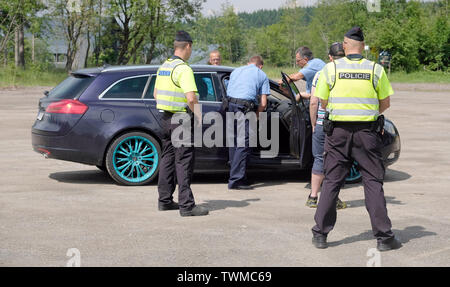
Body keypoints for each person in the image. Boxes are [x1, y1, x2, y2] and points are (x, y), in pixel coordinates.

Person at [311, 27, 401, 251]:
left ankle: (320, 234)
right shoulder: (375, 69)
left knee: (332, 181)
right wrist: (365, 113)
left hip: (338, 134)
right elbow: (385, 103)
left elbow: (322, 101)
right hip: (367, 133)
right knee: (372, 181)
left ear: (344, 46)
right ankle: (384, 238)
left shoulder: (330, 69)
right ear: (363, 46)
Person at [154, 30, 208, 217]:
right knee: (184, 162)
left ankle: (165, 201)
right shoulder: (184, 69)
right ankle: (187, 206)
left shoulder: (164, 66)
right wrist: (199, 116)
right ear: (188, 46)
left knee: (167, 159)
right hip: (181, 120)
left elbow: (155, 94)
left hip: (165, 119)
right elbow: (191, 98)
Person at [306, 42, 347, 210]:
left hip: (324, 123)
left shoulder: (321, 74)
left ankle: (313, 197)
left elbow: (314, 102)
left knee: (319, 159)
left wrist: (314, 123)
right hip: (342, 124)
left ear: (329, 57)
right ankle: (333, 198)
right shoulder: (346, 73)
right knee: (337, 161)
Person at [226, 55, 269, 190]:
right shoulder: (261, 74)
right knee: (243, 143)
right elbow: (263, 104)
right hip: (244, 108)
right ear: (260, 66)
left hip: (229, 105)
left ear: (248, 63)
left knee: (233, 142)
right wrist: (256, 116)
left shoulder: (236, 71)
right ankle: (236, 180)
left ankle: (236, 174)